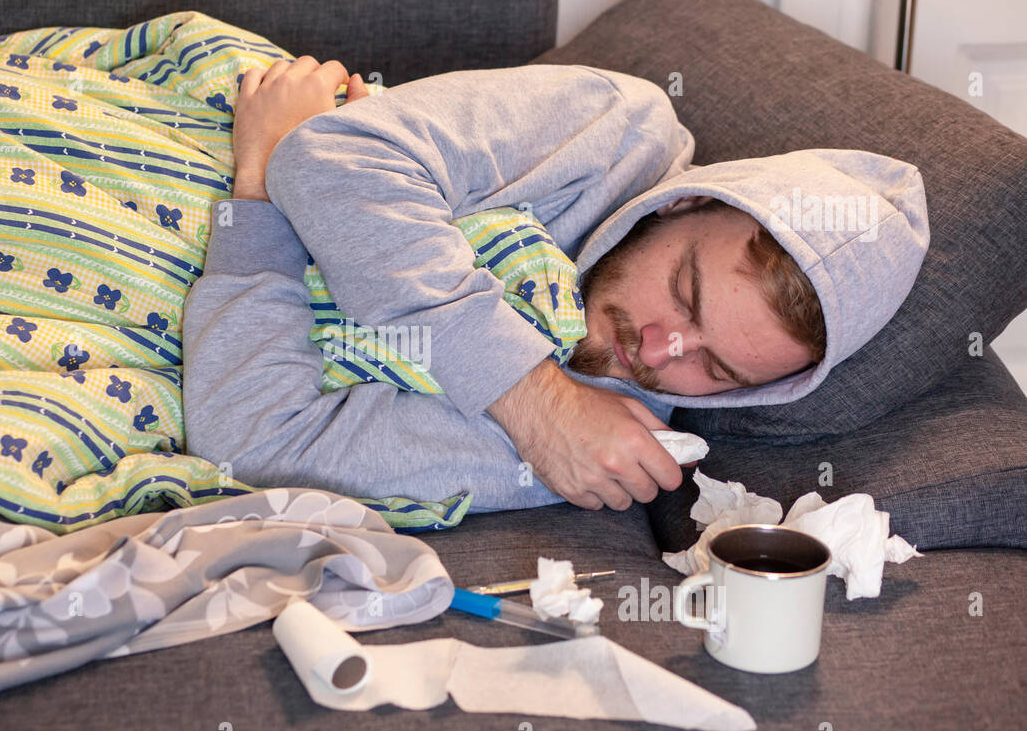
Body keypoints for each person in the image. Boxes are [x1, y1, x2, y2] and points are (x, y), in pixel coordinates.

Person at [182, 57, 929, 513]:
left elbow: (253, 444)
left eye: (716, 370)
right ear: (683, 202)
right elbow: (337, 153)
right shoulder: (617, 125)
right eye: (684, 290)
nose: (660, 351)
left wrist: (257, 185)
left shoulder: (602, 439)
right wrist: (530, 396)